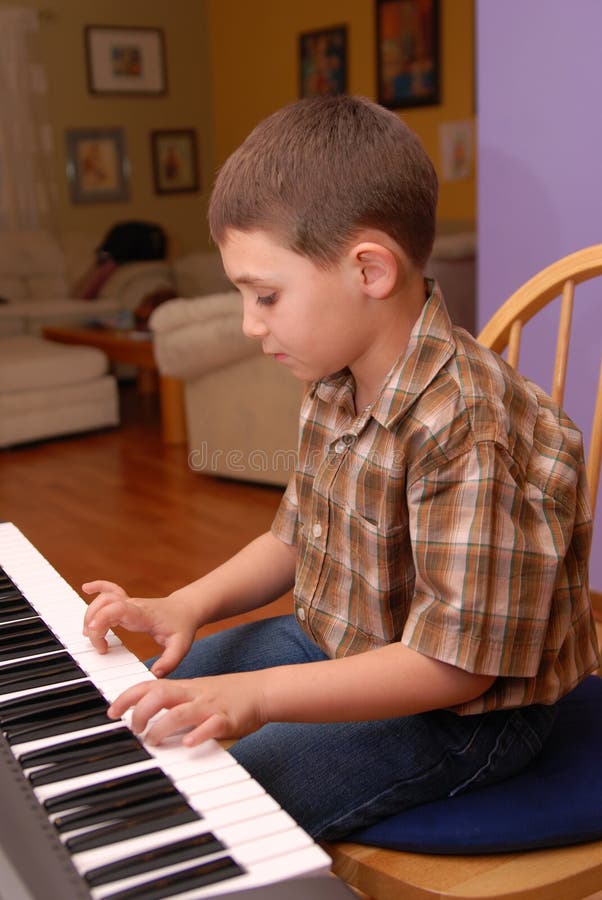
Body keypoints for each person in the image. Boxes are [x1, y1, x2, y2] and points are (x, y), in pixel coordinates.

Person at [82, 95, 600, 842]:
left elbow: (456, 668)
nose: (250, 324)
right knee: (140, 699)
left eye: (266, 295)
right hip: (339, 642)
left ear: (369, 270)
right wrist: (186, 604)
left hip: (462, 715)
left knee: (224, 802)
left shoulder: (465, 428)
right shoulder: (334, 381)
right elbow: (292, 537)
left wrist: (261, 697)